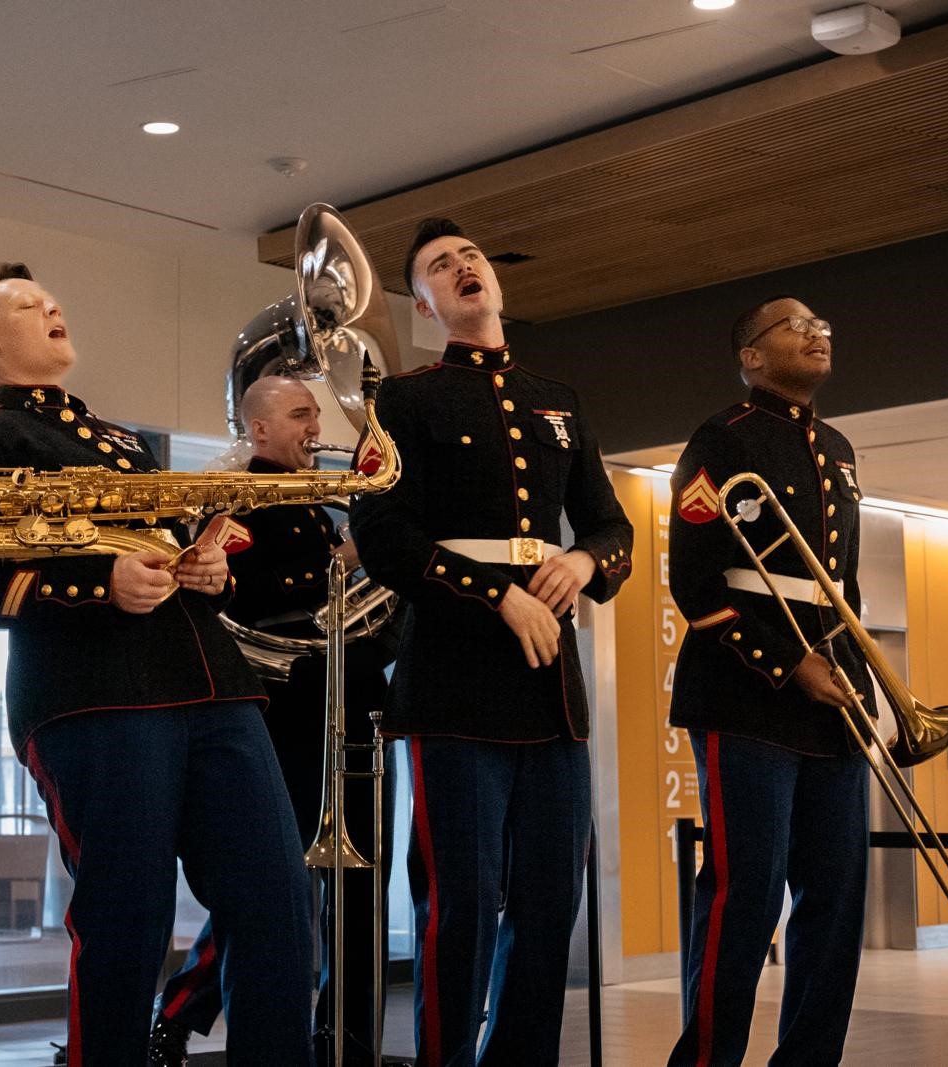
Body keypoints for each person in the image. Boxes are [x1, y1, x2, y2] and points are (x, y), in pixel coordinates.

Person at [0, 263, 315, 1067]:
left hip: (213, 685)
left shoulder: (124, 443)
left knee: (278, 897)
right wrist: (97, 583)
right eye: (27, 304)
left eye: (52, 297)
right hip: (94, 696)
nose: (52, 305)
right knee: (127, 920)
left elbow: (167, 553)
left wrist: (208, 570)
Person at [349, 217, 634, 1066]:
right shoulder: (401, 402)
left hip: (551, 692)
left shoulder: (560, 400)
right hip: (453, 685)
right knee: (462, 904)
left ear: (495, 280)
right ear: (425, 305)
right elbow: (384, 537)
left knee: (550, 903)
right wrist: (497, 595)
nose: (463, 266)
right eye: (441, 266)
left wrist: (582, 561)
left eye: (470, 256)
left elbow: (612, 527)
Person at [151, 376, 397, 1067]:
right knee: (273, 883)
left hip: (347, 699)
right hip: (281, 707)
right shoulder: (235, 500)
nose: (315, 427)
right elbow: (241, 597)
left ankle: (344, 1039)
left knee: (355, 886)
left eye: (316, 413)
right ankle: (178, 1012)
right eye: (299, 414)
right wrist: (340, 562)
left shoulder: (321, 502)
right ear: (258, 429)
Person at [665, 296, 870, 1067]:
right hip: (744, 693)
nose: (818, 332)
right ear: (751, 355)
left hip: (833, 699)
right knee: (746, 893)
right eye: (796, 326)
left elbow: (844, 586)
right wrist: (789, 663)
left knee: (837, 900)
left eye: (822, 324)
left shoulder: (840, 447)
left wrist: (863, 683)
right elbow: (694, 583)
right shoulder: (722, 437)